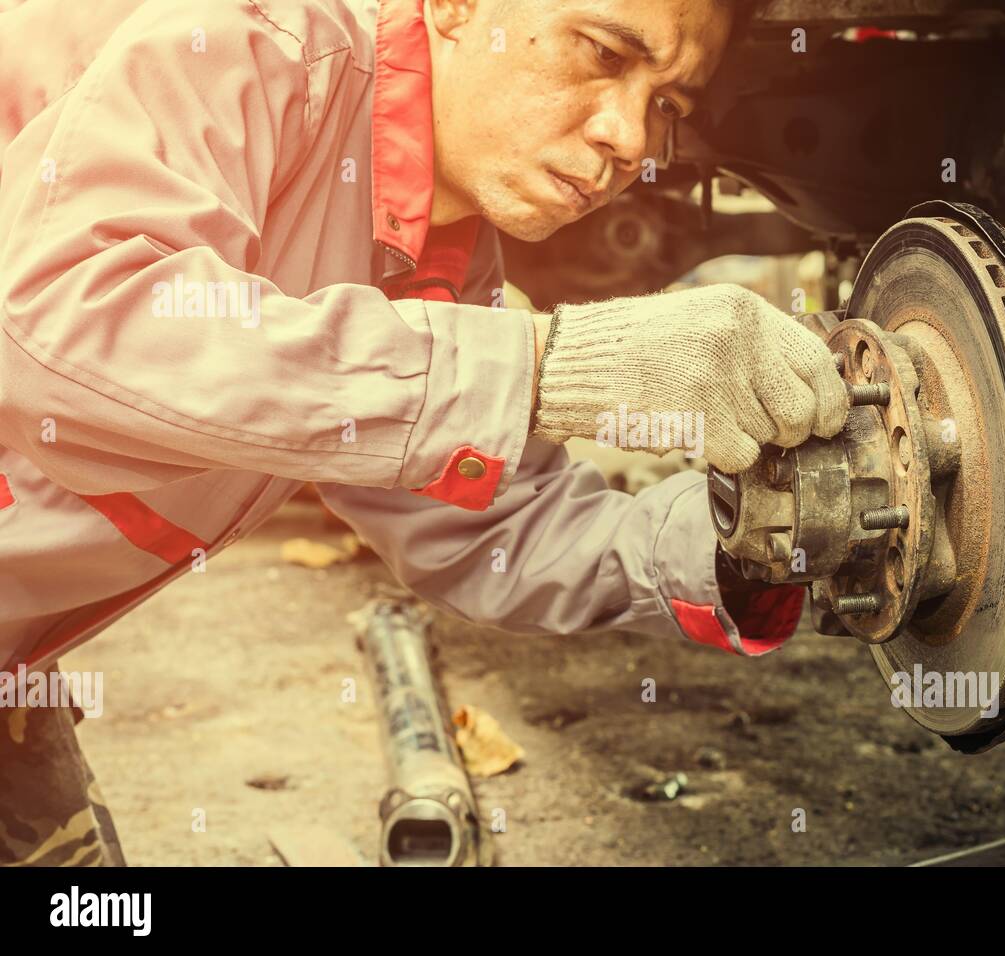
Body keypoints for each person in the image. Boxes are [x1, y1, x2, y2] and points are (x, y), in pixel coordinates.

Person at [0, 0, 847, 865]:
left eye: (667, 106)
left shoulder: (441, 252)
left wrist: (764, 541)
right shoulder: (253, 45)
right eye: (600, 52)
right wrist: (542, 366)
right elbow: (62, 330)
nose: (630, 138)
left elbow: (492, 524)